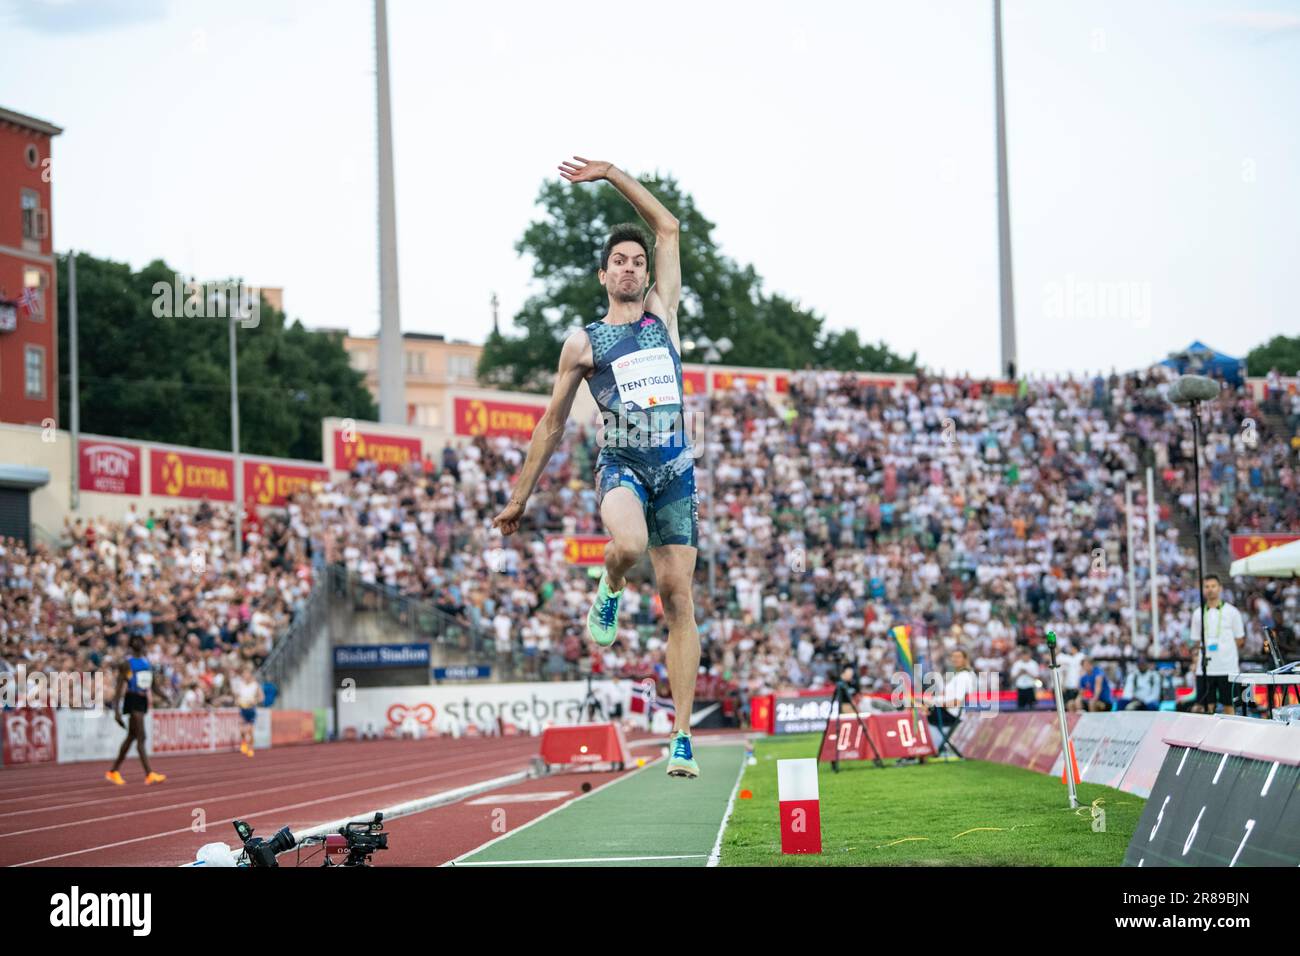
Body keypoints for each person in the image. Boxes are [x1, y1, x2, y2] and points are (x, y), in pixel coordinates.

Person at [493, 157, 702, 779]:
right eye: (621, 261)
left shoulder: (663, 314)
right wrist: (519, 497)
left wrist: (613, 173)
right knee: (629, 545)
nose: (633, 267)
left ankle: (681, 738)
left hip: (676, 470)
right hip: (623, 465)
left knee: (678, 599)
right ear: (603, 274)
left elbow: (667, 228)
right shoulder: (584, 343)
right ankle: (609, 585)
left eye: (638, 261)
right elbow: (552, 424)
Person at [105, 634, 165, 786]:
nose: (138, 643)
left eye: (140, 640)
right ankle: (149, 774)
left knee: (132, 737)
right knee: (141, 737)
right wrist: (117, 711)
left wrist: (166, 697)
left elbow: (154, 686)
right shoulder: (127, 664)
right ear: (131, 645)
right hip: (133, 700)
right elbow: (119, 687)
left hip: (143, 699)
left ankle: (113, 771)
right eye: (135, 641)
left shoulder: (147, 663)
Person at [1188, 574, 1246, 715]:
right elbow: (1196, 642)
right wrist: (1195, 661)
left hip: (1227, 667)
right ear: (1203, 590)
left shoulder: (1232, 612)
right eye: (1207, 587)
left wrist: (1225, 650)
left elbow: (1240, 640)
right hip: (1206, 668)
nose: (1210, 589)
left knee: (1229, 707)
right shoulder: (1197, 613)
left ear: (1220, 588)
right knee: (1206, 708)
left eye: (1213, 586)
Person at [926, 649, 976, 758]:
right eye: (953, 657)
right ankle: (934, 747)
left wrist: (936, 704)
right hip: (946, 710)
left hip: (951, 714)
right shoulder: (957, 676)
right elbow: (948, 697)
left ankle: (926, 748)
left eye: (958, 657)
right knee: (919, 709)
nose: (955, 659)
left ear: (965, 659)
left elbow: (956, 702)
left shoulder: (963, 676)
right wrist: (933, 701)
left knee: (918, 715)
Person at [233, 666, 263, 757]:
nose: (244, 675)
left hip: (251, 709)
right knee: (242, 731)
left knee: (250, 731)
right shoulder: (240, 685)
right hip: (242, 708)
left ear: (250, 675)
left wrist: (256, 701)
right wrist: (237, 701)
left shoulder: (255, 685)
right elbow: (237, 697)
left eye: (246, 673)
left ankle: (250, 748)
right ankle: (243, 743)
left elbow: (261, 697)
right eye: (243, 674)